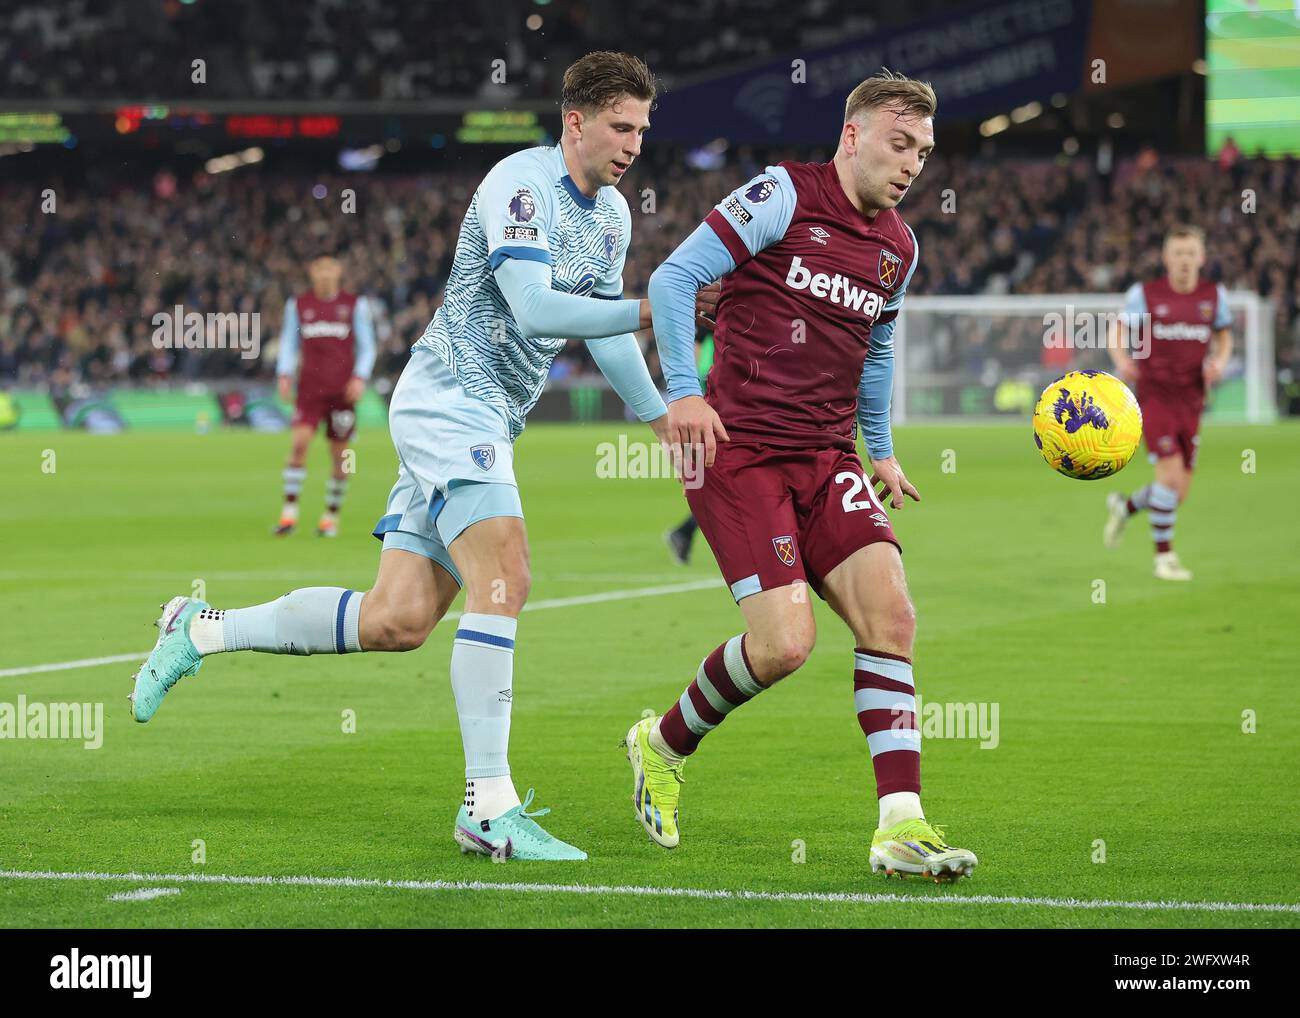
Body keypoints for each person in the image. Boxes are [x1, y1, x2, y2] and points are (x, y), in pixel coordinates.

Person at [131, 51, 669, 862]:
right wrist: (651, 305)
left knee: (399, 620)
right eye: (621, 127)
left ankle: (199, 629)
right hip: (451, 397)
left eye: (643, 130)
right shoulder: (518, 186)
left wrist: (662, 417)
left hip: (484, 416)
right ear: (576, 121)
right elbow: (529, 309)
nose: (633, 144)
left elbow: (604, 325)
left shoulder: (614, 216)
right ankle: (487, 805)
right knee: (506, 576)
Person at [625, 70, 977, 881]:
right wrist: (682, 392)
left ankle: (901, 826)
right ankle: (661, 744)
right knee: (784, 647)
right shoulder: (782, 194)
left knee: (892, 617)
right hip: (738, 451)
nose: (913, 163)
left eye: (923, 150)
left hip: (827, 458)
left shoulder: (900, 247)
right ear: (852, 135)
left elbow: (877, 347)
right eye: (900, 143)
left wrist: (879, 448)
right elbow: (674, 279)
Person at [1104, 225, 1233, 580]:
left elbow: (1224, 337)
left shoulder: (1213, 296)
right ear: (1165, 258)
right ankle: (1164, 559)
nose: (1184, 261)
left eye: (1191, 253)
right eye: (1177, 253)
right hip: (1155, 395)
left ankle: (1124, 507)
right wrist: (1121, 359)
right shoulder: (1144, 295)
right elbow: (1118, 330)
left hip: (1192, 399)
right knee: (1169, 476)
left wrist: (1219, 362)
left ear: (1202, 258)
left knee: (1179, 493)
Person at [273, 254, 375, 537]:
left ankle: (331, 515)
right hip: (308, 389)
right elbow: (289, 343)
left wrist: (360, 377)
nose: (325, 274)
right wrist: (284, 374)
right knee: (299, 444)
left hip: (342, 392)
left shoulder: (355, 305)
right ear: (312, 272)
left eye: (330, 268)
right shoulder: (299, 305)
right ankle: (289, 514)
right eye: (320, 269)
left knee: (340, 454)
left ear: (339, 272)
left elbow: (367, 346)